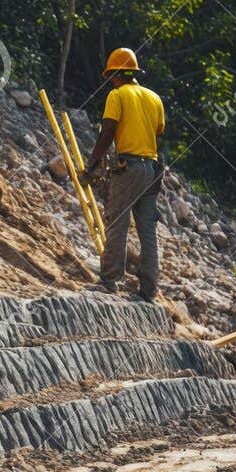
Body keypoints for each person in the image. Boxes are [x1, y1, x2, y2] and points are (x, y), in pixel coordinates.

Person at [83, 47, 166, 301]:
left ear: (116, 74)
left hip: (128, 167)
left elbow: (107, 133)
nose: (110, 80)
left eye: (111, 76)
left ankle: (110, 281)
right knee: (146, 228)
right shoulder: (154, 98)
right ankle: (149, 289)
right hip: (152, 168)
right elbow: (159, 132)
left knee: (117, 221)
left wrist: (92, 164)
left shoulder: (117, 95)